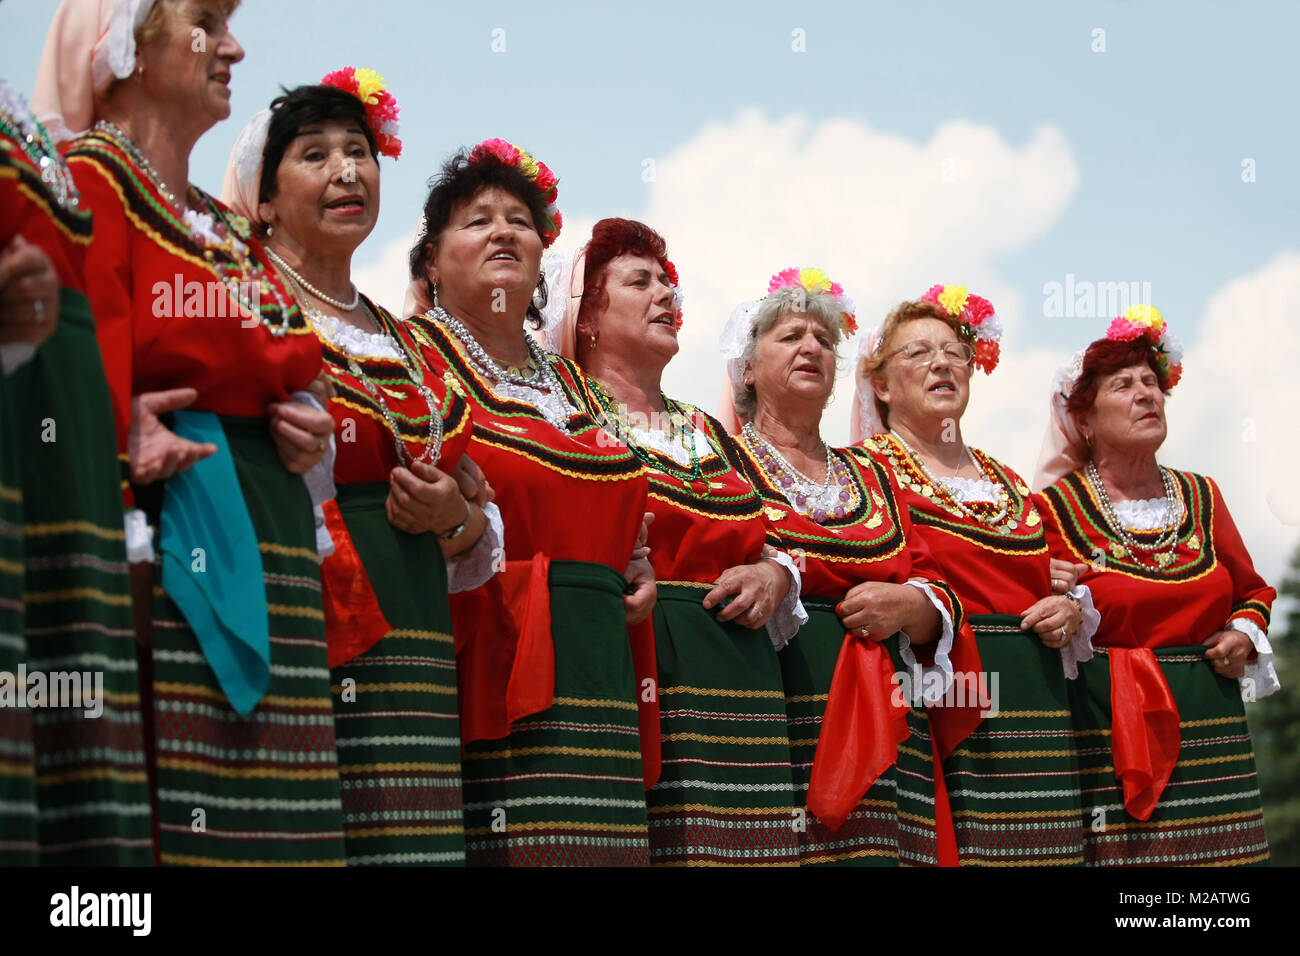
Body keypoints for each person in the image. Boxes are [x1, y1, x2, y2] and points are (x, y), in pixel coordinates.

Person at [36, 0, 347, 865]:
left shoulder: (224, 227)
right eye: (207, 20)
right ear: (126, 49)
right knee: (183, 826)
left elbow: (289, 360)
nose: (235, 44)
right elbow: (67, 368)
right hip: (172, 551)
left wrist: (303, 427)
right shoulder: (89, 183)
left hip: (271, 545)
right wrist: (110, 431)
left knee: (279, 835)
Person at [222, 70, 502, 866]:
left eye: (360, 151)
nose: (349, 171)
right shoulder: (246, 305)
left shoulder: (411, 343)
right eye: (316, 154)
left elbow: (476, 509)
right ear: (265, 200)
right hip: (300, 623)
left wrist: (454, 513)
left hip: (414, 642)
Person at [406, 140, 657, 866]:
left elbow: (617, 511)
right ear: (430, 260)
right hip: (489, 669)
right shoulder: (414, 358)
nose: (504, 232)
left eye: (519, 220)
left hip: (600, 671)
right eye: (477, 220)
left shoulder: (577, 386)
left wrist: (636, 567)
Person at [553, 220, 807, 865]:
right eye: (640, 282)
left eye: (669, 282)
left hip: (744, 687)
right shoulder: (563, 414)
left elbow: (777, 537)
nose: (667, 294)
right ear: (586, 317)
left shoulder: (707, 430)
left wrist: (776, 577)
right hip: (636, 673)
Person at [719, 267, 963, 866]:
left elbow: (938, 586)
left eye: (824, 341)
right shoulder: (721, 460)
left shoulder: (875, 473)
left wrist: (911, 605)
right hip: (775, 711)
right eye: (790, 335)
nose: (812, 348)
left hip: (887, 722)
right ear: (747, 369)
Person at [852, 285, 1099, 865]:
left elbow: (1073, 577)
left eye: (954, 351)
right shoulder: (867, 474)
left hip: (1037, 714)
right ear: (881, 385)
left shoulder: (1010, 481)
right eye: (915, 353)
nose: (941, 362)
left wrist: (1071, 609)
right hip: (941, 712)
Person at [1035, 305, 1277, 865]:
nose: (1147, 394)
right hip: (1114, 731)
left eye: (1152, 382)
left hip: (1212, 723)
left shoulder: (1203, 494)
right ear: (1085, 421)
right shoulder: (1053, 510)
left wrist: (1243, 634)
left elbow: (1253, 592)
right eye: (1124, 385)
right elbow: (1037, 613)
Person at [2, 65, 151, 862]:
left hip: (66, 464)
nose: (227, 46)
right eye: (207, 19)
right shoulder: (99, 170)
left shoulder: (37, 142)